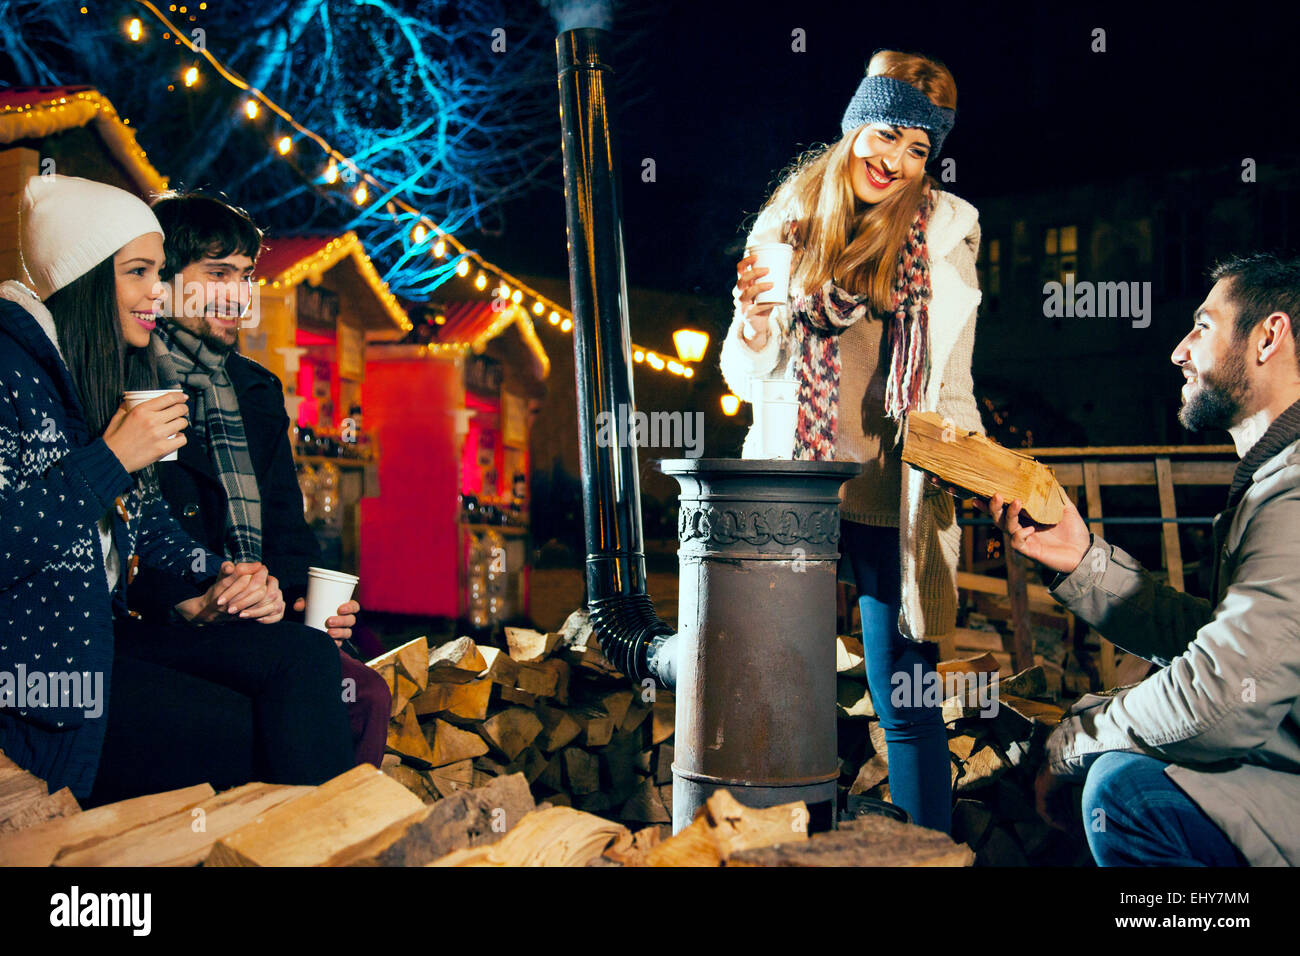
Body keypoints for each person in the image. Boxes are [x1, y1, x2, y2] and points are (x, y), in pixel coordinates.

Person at [0, 174, 354, 806]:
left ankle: (326, 843)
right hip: (42, 669)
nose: (156, 294)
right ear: (86, 280)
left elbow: (153, 525)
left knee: (306, 659)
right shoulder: (14, 371)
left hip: (103, 638)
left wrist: (226, 576)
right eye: (139, 272)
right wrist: (112, 458)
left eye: (160, 273)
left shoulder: (100, 373)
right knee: (247, 731)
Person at [720, 50, 983, 835]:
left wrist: (967, 459)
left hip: (893, 496)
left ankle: (924, 850)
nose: (897, 163)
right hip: (796, 489)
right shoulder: (789, 218)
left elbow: (954, 375)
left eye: (918, 151)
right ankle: (789, 845)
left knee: (905, 700)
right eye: (889, 135)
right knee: (781, 692)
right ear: (856, 124)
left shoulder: (944, 229)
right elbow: (745, 372)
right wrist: (754, 324)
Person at [979, 254, 1300, 866]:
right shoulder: (1274, 479)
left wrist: (1075, 741)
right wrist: (1084, 561)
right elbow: (1222, 645)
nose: (1180, 351)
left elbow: (1223, 694)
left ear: (1269, 337)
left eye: (1202, 327)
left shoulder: (1293, 490)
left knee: (1123, 793)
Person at [127, 191, 390, 768]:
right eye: (217, 273)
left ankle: (337, 844)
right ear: (163, 282)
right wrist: (195, 597)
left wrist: (307, 604)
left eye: (245, 276)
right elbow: (131, 528)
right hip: (172, 616)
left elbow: (287, 532)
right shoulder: (125, 377)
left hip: (261, 615)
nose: (238, 294)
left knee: (367, 693)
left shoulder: (254, 389)